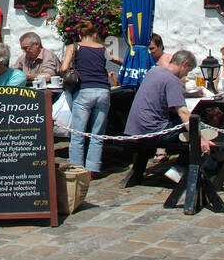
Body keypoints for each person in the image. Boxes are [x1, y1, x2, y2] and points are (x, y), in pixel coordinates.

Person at [124, 50, 215, 182]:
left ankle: (190, 164)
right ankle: (180, 168)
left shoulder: (153, 72)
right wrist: (200, 139)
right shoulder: (173, 80)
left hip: (135, 130)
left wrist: (187, 95)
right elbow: (183, 112)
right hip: (154, 132)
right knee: (194, 127)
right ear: (185, 64)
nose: (186, 75)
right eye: (188, 71)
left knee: (186, 127)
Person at [59, 21, 112, 174]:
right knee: (97, 134)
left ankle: (76, 168)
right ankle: (93, 169)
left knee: (78, 133)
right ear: (95, 34)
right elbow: (117, 60)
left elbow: (63, 68)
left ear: (80, 34)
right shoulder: (103, 48)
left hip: (83, 90)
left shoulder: (74, 47)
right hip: (103, 91)